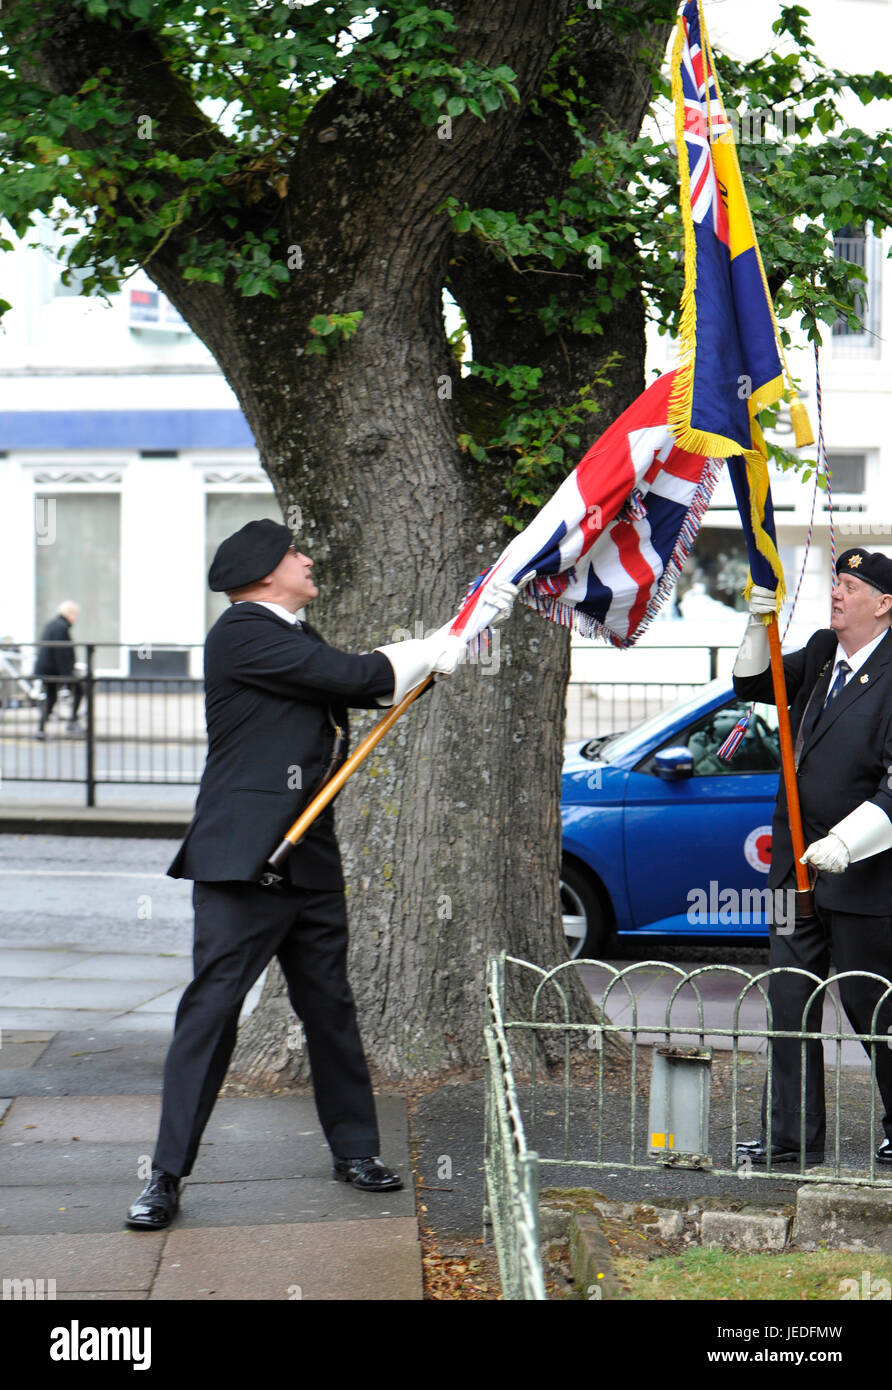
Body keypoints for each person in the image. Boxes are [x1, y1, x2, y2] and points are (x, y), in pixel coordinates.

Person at [126, 519, 474, 1230]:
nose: (308, 560)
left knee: (330, 1011)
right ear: (262, 571)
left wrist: (444, 650)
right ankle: (164, 1176)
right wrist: (430, 647)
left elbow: (360, 687)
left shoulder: (293, 636)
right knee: (212, 1010)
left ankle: (354, 1151)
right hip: (242, 857)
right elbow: (355, 677)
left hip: (308, 856)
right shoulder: (244, 632)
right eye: (294, 554)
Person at [732, 547, 892, 1168]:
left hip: (863, 875)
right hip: (788, 872)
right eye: (835, 582)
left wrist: (846, 845)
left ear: (883, 604)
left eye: (849, 586)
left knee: (871, 1007)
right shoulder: (824, 655)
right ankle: (792, 1141)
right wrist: (756, 623)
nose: (836, 593)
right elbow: (752, 684)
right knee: (788, 998)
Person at [34, 600, 83, 738]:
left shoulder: (54, 624)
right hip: (53, 670)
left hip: (47, 669)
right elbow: (62, 654)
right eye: (75, 614)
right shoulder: (61, 627)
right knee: (78, 691)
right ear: (69, 613)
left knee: (51, 698)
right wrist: (67, 676)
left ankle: (41, 729)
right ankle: (71, 722)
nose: (76, 617)